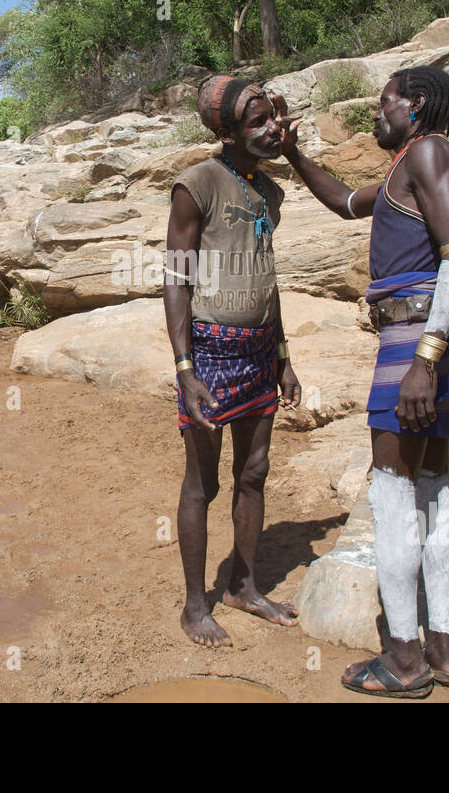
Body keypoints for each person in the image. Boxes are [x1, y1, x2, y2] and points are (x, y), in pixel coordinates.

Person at [276, 65, 449, 697]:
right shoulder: (408, 166)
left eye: (385, 101)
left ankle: (402, 660)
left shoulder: (429, 153)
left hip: (419, 338)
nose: (376, 112)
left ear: (415, 105)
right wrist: (293, 152)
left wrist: (423, 358)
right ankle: (439, 648)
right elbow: (343, 201)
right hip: (440, 337)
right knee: (432, 486)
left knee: (392, 495)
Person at [164, 74, 302, 648]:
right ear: (227, 131)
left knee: (254, 472)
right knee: (203, 484)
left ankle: (243, 586)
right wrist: (185, 369)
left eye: (274, 117)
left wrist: (283, 354)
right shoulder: (197, 184)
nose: (275, 129)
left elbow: (266, 278)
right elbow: (176, 278)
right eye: (259, 122)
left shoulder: (266, 191)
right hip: (210, 351)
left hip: (258, 350)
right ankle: (196, 606)